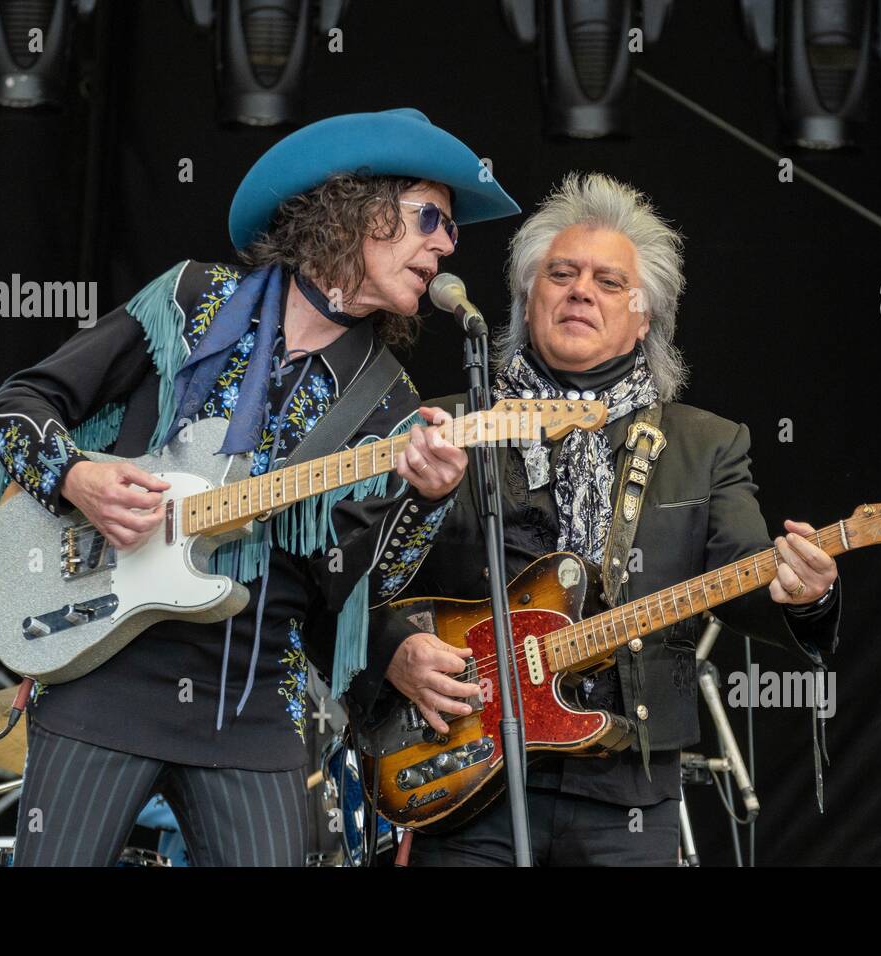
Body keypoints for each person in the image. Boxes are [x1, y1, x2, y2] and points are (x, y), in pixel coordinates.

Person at [0, 108, 519, 866]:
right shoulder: (191, 301)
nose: (445, 244)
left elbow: (350, 594)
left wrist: (424, 499)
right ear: (357, 209)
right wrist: (77, 476)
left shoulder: (390, 402)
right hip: (107, 673)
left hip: (254, 698)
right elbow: (17, 405)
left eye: (453, 231)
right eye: (429, 217)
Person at [355, 172, 842, 866]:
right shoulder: (443, 427)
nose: (581, 289)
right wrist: (392, 649)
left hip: (628, 794)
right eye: (561, 273)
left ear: (646, 318)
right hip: (463, 773)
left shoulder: (705, 445)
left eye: (610, 282)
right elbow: (350, 576)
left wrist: (808, 595)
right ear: (529, 297)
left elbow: (746, 575)